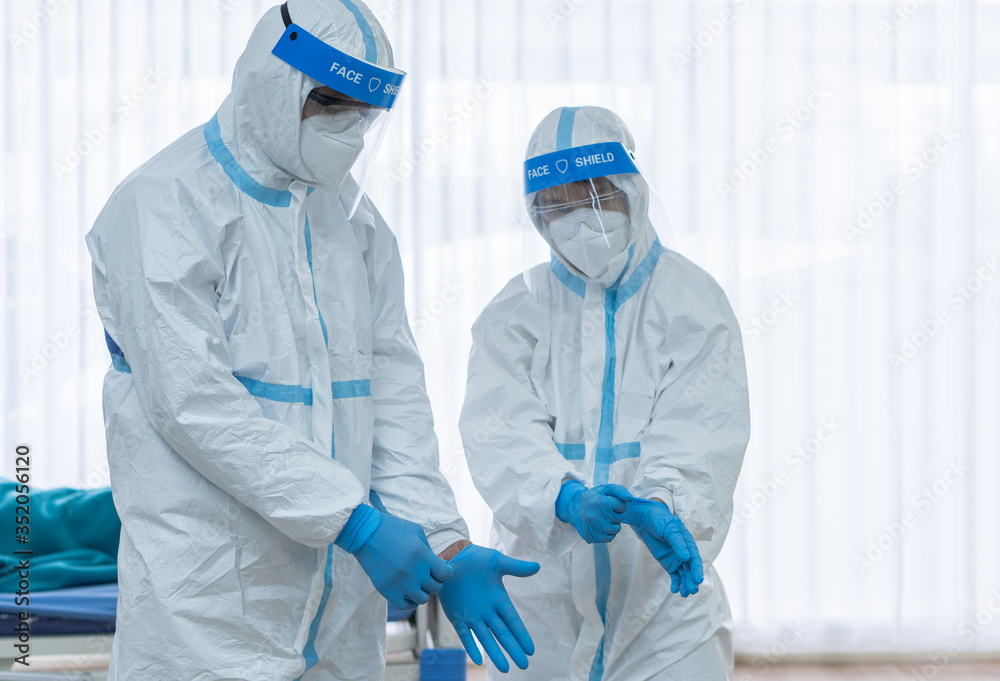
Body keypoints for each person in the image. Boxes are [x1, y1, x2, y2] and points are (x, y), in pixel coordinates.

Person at [86, 2, 538, 679]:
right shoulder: (162, 205)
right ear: (274, 80)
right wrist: (354, 521)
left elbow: (393, 396)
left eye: (363, 112)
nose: (348, 129)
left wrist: (446, 540)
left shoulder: (354, 225)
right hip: (209, 603)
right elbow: (195, 404)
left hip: (340, 607)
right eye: (330, 104)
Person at [460, 105, 751, 681]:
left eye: (592, 197)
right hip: (540, 608)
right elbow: (498, 430)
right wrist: (560, 498)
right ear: (536, 214)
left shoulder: (692, 302)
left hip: (663, 606)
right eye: (557, 205)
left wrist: (666, 505)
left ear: (628, 191)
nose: (577, 221)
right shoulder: (514, 313)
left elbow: (703, 427)